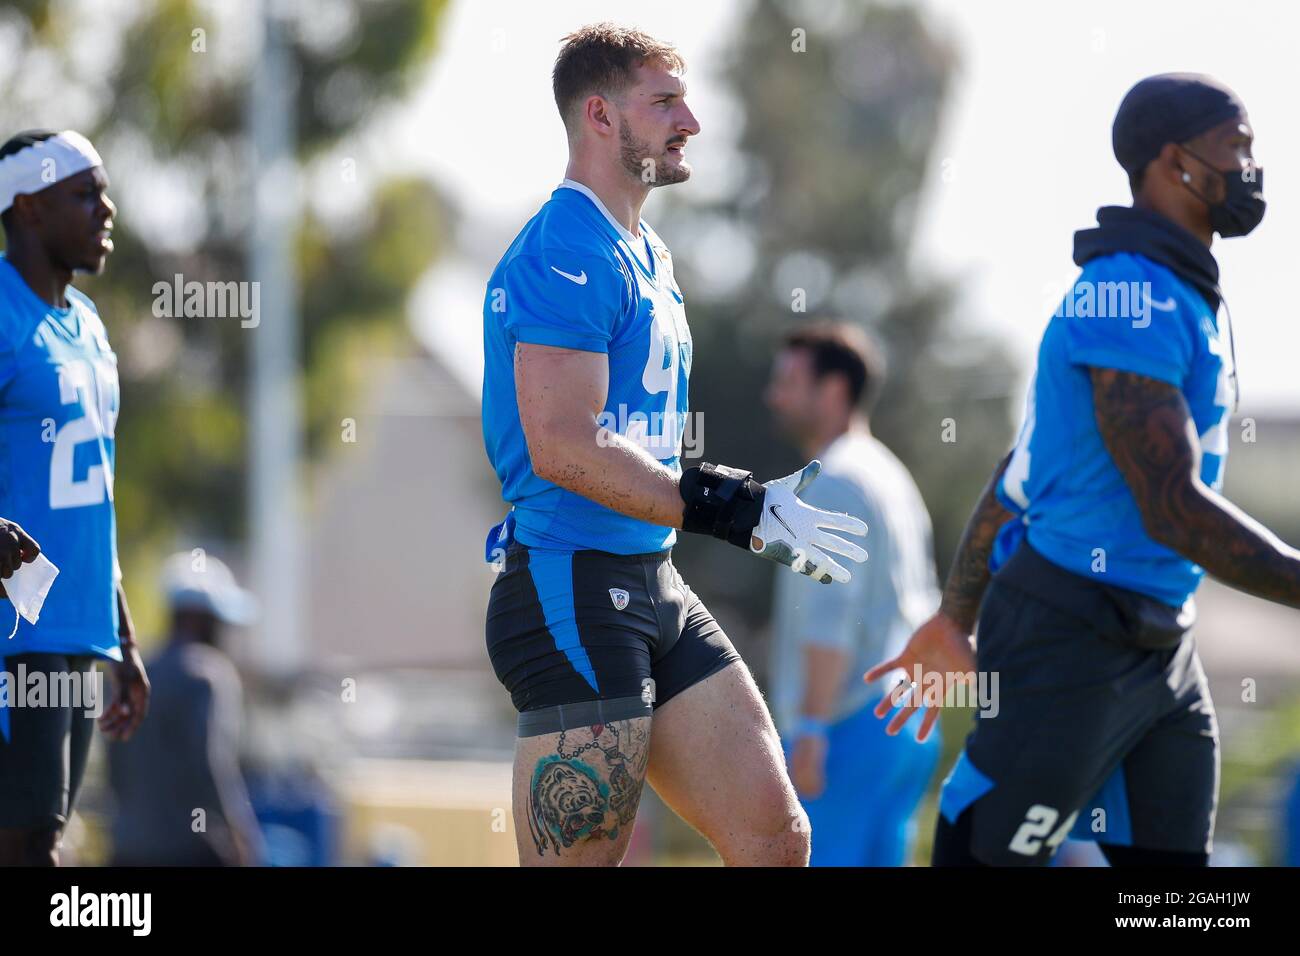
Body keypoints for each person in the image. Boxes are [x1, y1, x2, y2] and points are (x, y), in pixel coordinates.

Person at [868, 74, 1280, 866]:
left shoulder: (1183, 297)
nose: (1250, 167)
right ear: (1173, 161)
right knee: (983, 856)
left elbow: (1017, 476)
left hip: (1164, 645)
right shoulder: (1127, 293)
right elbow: (1172, 509)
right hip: (1071, 631)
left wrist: (955, 618)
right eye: (1236, 147)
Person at [481, 23, 867, 866]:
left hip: (653, 579)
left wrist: (725, 506)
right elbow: (562, 446)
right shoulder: (565, 247)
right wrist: (726, 504)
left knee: (775, 839)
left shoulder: (647, 250)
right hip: (569, 581)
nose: (689, 120)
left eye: (686, 100)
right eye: (664, 101)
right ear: (599, 115)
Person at [0, 130, 149, 866]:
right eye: (84, 193)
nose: (106, 209)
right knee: (24, 836)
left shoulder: (87, 324)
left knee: (43, 834)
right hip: (14, 617)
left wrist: (122, 632)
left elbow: (97, 489)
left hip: (78, 620)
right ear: (27, 208)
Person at [766, 323, 941, 866]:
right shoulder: (891, 474)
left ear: (834, 390)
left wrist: (812, 727)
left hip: (847, 721)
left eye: (789, 381)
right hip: (907, 718)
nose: (774, 396)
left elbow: (830, 618)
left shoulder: (834, 479)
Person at [107, 551, 264, 866]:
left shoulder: (136, 674)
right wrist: (242, 835)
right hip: (186, 851)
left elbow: (115, 765)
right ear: (199, 618)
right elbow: (210, 765)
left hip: (128, 850)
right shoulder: (207, 674)